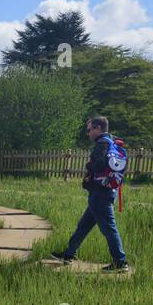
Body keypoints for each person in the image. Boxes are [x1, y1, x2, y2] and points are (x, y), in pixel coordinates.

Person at [51, 116, 129, 272]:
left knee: (109, 228)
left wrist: (89, 165)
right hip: (103, 192)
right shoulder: (111, 142)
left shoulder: (102, 143)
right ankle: (68, 254)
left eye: (89, 129)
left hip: (100, 194)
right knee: (83, 226)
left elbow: (99, 165)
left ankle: (120, 262)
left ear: (98, 128)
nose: (88, 133)